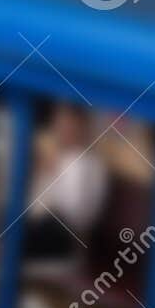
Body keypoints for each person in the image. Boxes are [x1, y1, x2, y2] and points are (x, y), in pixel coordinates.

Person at [25, 104, 107, 261]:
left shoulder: (82, 162)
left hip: (63, 238)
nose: (60, 129)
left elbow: (73, 214)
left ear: (81, 126)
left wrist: (51, 172)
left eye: (66, 123)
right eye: (58, 122)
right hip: (45, 229)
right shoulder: (61, 158)